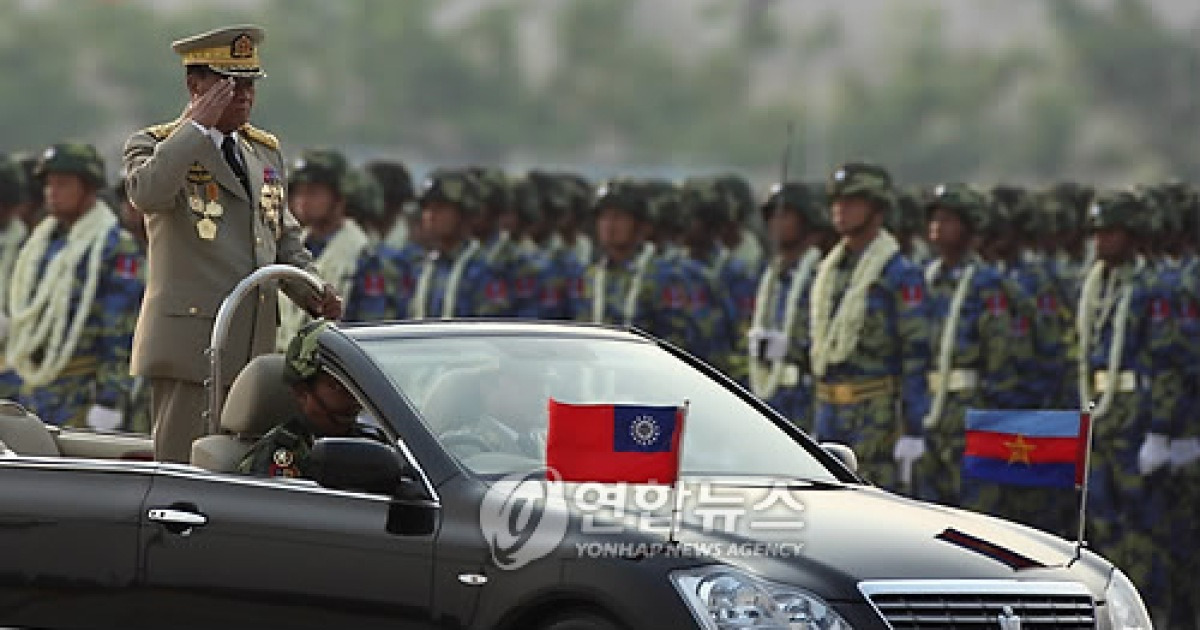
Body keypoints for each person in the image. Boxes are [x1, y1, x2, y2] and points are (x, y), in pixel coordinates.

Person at [122, 24, 341, 463]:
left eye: (249, 84)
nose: (242, 95)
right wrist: (196, 126)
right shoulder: (157, 145)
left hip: (251, 345)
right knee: (184, 470)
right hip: (191, 342)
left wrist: (313, 292)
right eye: (228, 83)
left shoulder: (262, 152)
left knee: (238, 471)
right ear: (194, 85)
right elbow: (146, 193)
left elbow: (282, 234)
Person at [808, 162, 931, 494]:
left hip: (874, 417)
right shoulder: (829, 270)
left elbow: (916, 353)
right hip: (827, 409)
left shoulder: (898, 273)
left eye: (852, 202)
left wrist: (912, 428)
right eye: (836, 201)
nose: (840, 210)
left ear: (876, 210)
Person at [7, 143, 144, 429]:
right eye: (48, 184)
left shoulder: (115, 246)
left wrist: (109, 398)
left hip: (81, 394)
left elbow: (120, 330)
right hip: (34, 389)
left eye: (63, 184)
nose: (51, 192)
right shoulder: (44, 242)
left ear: (89, 188)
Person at [237, 320, 384, 478]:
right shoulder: (280, 454)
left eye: (354, 383)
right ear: (302, 393)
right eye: (336, 386)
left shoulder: (375, 442)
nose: (352, 395)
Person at [747, 182, 830, 429]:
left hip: (806, 400)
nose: (776, 223)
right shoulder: (769, 275)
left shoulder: (822, 275)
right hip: (770, 396)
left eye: (785, 215)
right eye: (772, 216)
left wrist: (792, 349)